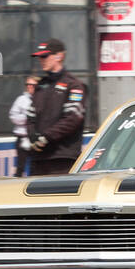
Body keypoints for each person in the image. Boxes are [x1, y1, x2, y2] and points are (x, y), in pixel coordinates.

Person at [26, 39, 88, 176]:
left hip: (63, 159)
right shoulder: (40, 85)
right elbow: (30, 116)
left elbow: (72, 119)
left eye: (44, 56)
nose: (41, 60)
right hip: (39, 159)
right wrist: (32, 136)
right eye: (39, 57)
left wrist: (47, 137)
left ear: (59, 56)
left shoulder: (74, 85)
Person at [9, 75, 38, 176]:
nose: (30, 87)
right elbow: (13, 116)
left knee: (35, 167)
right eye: (28, 84)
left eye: (33, 85)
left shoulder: (41, 99)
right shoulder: (21, 99)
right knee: (20, 167)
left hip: (36, 138)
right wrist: (28, 119)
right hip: (22, 137)